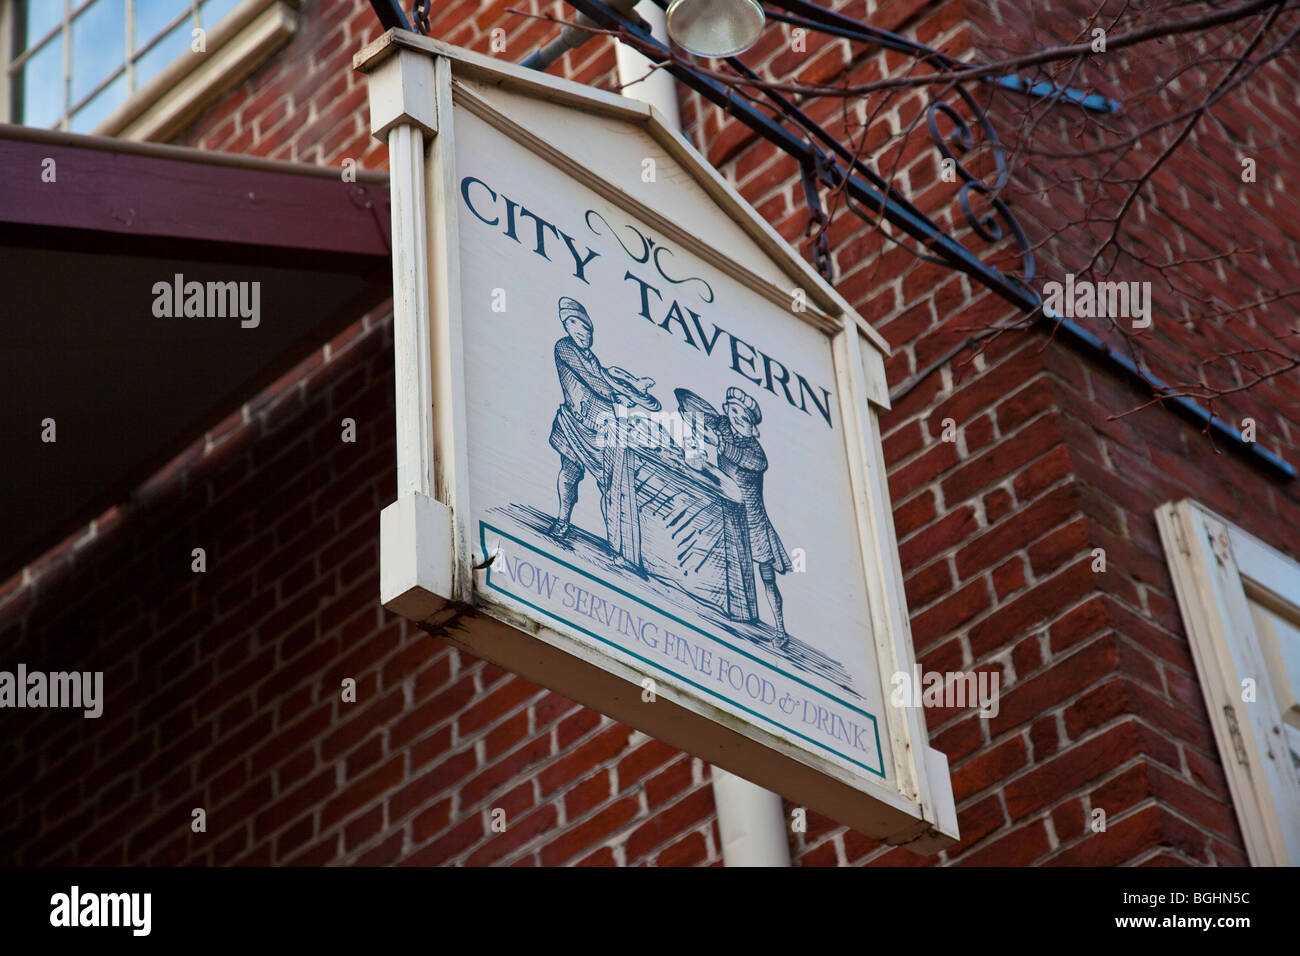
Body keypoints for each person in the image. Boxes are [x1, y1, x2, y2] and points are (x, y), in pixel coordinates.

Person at [547, 297, 653, 543]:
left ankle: (617, 541)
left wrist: (632, 386)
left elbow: (604, 375)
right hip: (575, 422)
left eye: (584, 326)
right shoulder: (564, 348)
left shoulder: (590, 357)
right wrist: (619, 395)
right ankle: (562, 521)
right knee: (570, 473)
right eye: (572, 323)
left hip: (602, 429)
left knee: (611, 485)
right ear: (566, 326)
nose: (580, 331)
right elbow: (593, 381)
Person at [709, 387, 793, 647]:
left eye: (743, 417)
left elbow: (749, 461)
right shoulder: (724, 427)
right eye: (733, 411)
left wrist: (719, 444)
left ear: (752, 426)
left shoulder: (755, 452)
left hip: (753, 520)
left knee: (767, 576)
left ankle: (780, 629)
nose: (737, 418)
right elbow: (705, 416)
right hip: (728, 508)